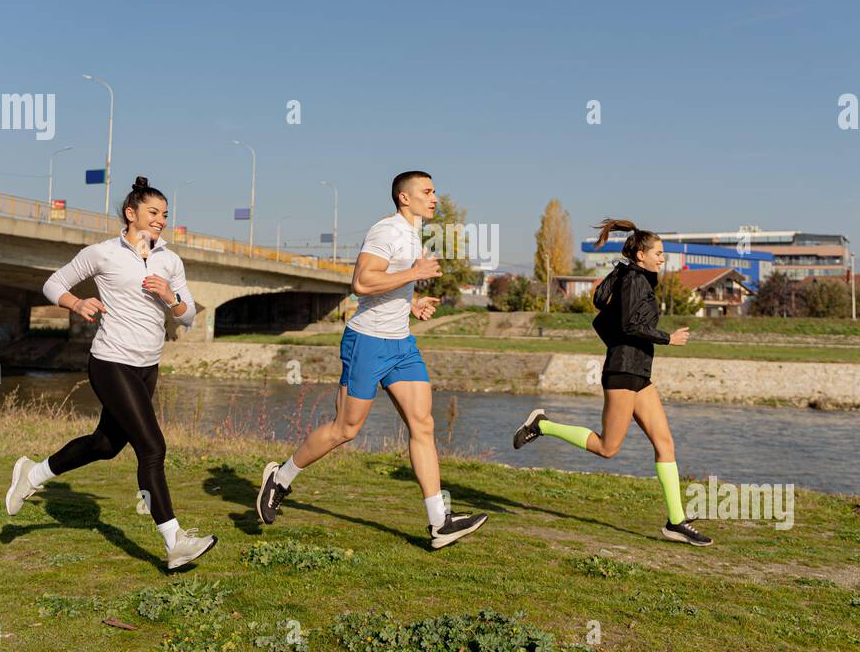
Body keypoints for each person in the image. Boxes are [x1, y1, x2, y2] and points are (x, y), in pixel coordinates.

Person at [255, 170, 488, 549]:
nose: (435, 198)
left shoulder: (412, 234)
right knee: (345, 430)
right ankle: (280, 478)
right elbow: (361, 283)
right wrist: (414, 272)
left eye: (435, 191)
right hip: (367, 342)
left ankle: (439, 522)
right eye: (426, 192)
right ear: (404, 198)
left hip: (400, 345)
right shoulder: (387, 231)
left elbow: (383, 285)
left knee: (423, 425)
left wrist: (411, 303)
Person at [4, 176, 218, 569]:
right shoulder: (103, 253)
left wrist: (170, 298)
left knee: (105, 446)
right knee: (152, 448)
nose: (160, 221)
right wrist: (76, 303)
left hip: (147, 367)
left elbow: (188, 316)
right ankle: (175, 542)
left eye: (165, 215)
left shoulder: (170, 260)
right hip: (111, 362)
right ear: (131, 213)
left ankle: (32, 475)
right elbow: (54, 283)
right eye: (153, 213)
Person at [511, 218, 711, 546]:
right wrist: (667, 338)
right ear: (640, 255)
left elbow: (605, 321)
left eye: (663, 253)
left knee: (665, 444)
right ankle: (543, 425)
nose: (663, 257)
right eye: (658, 252)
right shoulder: (634, 281)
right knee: (608, 448)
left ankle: (676, 521)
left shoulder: (638, 279)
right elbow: (631, 325)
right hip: (622, 374)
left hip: (639, 374)